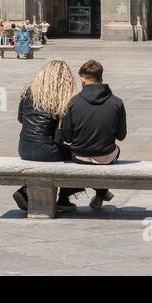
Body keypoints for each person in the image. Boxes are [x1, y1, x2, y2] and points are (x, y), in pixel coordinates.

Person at [12, 59, 84, 214]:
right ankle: (64, 197)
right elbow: (65, 131)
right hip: (46, 149)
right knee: (80, 156)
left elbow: (20, 118)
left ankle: (26, 190)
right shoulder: (59, 97)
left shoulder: (28, 91)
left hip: (24, 147)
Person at [56, 60, 127, 211]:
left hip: (79, 156)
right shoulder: (117, 102)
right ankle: (101, 193)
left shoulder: (73, 102)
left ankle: (95, 193)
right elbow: (121, 135)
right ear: (101, 79)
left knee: (78, 154)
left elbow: (67, 138)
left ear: (83, 80)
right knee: (112, 151)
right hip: (106, 156)